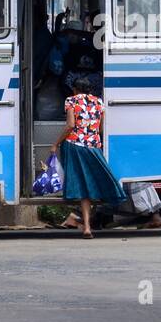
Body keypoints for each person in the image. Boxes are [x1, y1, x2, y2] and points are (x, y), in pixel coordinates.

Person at [52, 77, 125, 238]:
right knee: (95, 182)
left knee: (82, 187)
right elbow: (101, 128)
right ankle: (87, 225)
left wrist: (55, 143)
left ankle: (86, 227)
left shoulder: (71, 100)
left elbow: (70, 125)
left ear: (75, 89)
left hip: (74, 146)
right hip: (93, 147)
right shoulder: (99, 102)